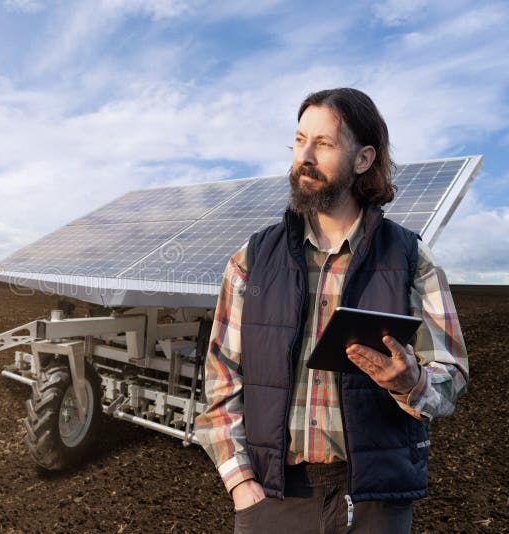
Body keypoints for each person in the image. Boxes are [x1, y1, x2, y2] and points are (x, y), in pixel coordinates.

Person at [194, 88, 468, 533]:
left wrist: (412, 382)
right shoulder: (252, 260)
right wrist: (241, 484)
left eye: (322, 144)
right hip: (274, 497)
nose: (304, 155)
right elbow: (221, 376)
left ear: (363, 159)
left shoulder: (411, 259)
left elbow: (451, 373)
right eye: (299, 140)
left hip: (374, 501)